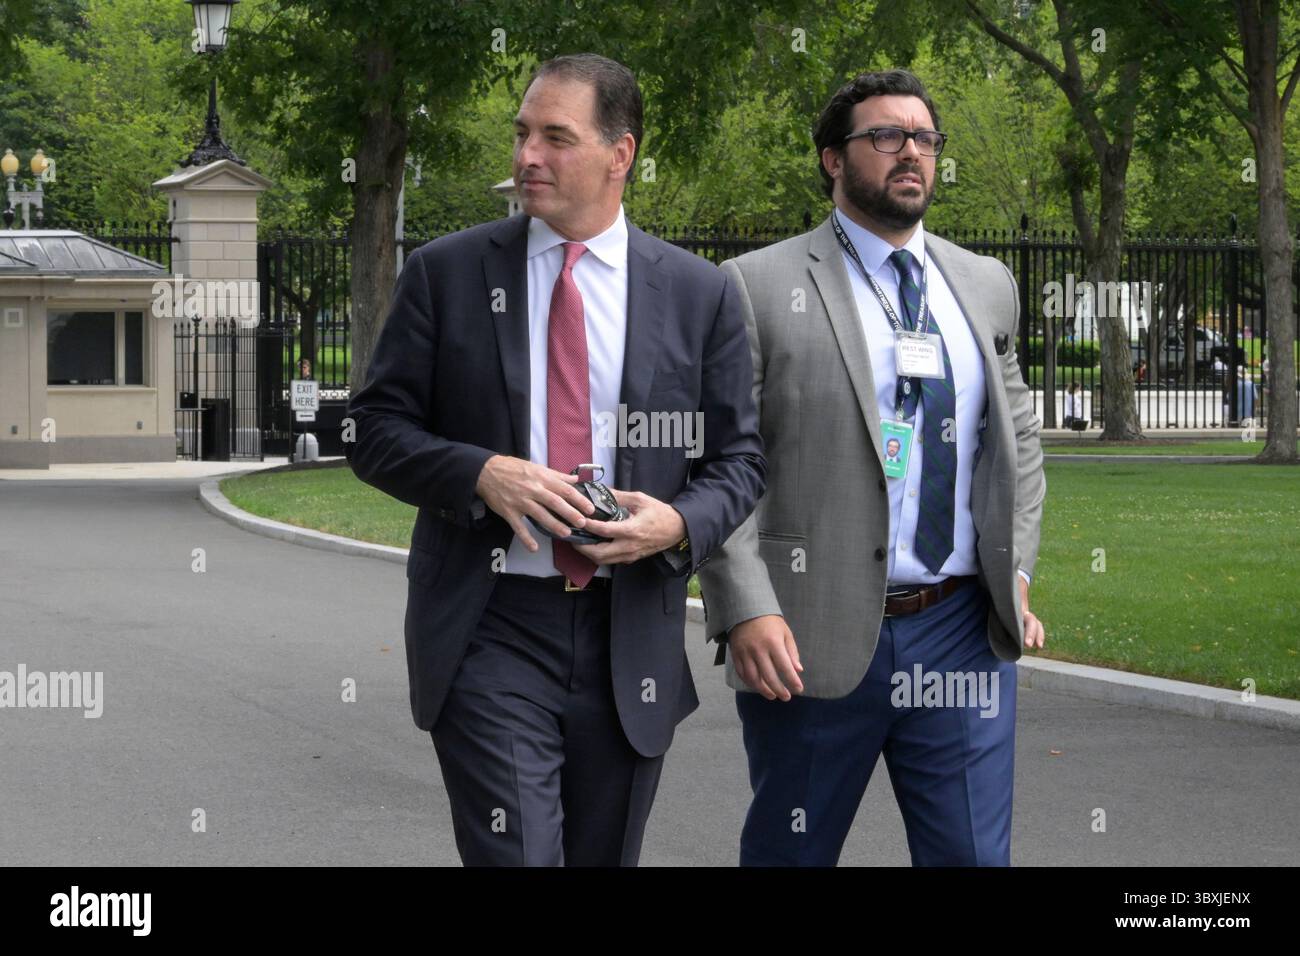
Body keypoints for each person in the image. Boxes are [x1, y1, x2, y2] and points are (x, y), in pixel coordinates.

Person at [345, 53, 764, 866]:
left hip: (629, 636)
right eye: (522, 133)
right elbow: (373, 430)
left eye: (555, 138)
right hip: (490, 623)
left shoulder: (697, 294)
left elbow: (739, 460)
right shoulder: (448, 274)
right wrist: (478, 472)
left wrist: (677, 523)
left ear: (621, 153)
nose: (527, 155)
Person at [698, 69, 1046, 867]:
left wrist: (1016, 571)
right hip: (806, 634)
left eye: (924, 138)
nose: (911, 153)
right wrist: (744, 605)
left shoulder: (985, 285)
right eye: (886, 136)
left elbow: (1020, 442)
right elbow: (721, 462)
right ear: (832, 157)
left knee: (972, 859)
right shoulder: (756, 284)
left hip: (961, 630)